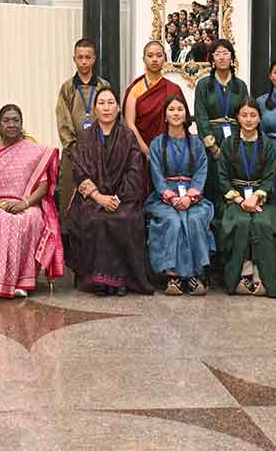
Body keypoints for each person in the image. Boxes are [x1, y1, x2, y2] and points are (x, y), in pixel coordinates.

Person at [63, 86, 154, 296]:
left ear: (118, 108)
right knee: (95, 219)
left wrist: (118, 197)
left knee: (124, 218)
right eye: (101, 103)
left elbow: (134, 171)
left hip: (123, 198)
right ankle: (97, 280)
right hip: (93, 198)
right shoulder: (85, 137)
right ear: (95, 109)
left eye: (111, 103)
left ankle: (121, 280)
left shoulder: (128, 136)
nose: (106, 108)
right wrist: (99, 197)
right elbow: (80, 171)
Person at [0, 104, 64, 299]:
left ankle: (23, 282)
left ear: (22, 124)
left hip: (26, 203)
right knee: (1, 220)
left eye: (16, 120)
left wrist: (25, 204)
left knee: (30, 218)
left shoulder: (32, 151)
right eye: (6, 121)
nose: (11, 124)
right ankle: (1, 283)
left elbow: (43, 186)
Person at [146, 95, 214, 296]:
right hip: (164, 199)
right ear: (165, 116)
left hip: (193, 198)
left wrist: (189, 197)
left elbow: (201, 172)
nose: (176, 113)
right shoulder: (157, 144)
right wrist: (172, 198)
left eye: (180, 109)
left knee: (194, 219)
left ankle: (193, 275)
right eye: (172, 110)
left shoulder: (197, 143)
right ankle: (172, 275)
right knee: (172, 221)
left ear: (186, 115)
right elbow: (157, 176)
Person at [216, 99, 276, 297]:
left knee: (263, 223)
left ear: (260, 118)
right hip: (234, 199)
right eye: (244, 115)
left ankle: (262, 277)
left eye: (253, 115)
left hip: (262, 200)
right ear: (238, 117)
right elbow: (222, 177)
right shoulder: (228, 144)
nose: (248, 119)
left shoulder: (267, 145)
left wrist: (255, 197)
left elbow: (270, 177)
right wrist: (240, 200)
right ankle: (241, 276)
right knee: (240, 222)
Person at [54, 38, 111, 224]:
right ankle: (69, 247)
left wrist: (99, 145)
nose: (84, 61)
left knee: (97, 199)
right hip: (73, 155)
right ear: (74, 59)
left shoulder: (103, 86)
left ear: (94, 59)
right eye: (80, 57)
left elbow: (109, 117)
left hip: (99, 153)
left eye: (88, 57)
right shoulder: (67, 88)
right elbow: (63, 121)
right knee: (69, 202)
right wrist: (74, 147)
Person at [194, 38, 249, 205]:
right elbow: (200, 115)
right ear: (212, 59)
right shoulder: (203, 85)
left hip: (235, 140)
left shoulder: (240, 85)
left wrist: (239, 141)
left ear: (232, 57)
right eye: (218, 54)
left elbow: (246, 115)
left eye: (226, 53)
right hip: (211, 139)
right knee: (212, 183)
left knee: (233, 180)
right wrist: (212, 146)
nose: (222, 57)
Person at [124, 40, 185, 156]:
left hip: (169, 151)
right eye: (150, 56)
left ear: (165, 59)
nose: (155, 59)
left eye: (159, 55)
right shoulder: (135, 89)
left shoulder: (173, 89)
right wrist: (147, 152)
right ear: (144, 59)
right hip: (140, 152)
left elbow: (182, 122)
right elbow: (129, 124)